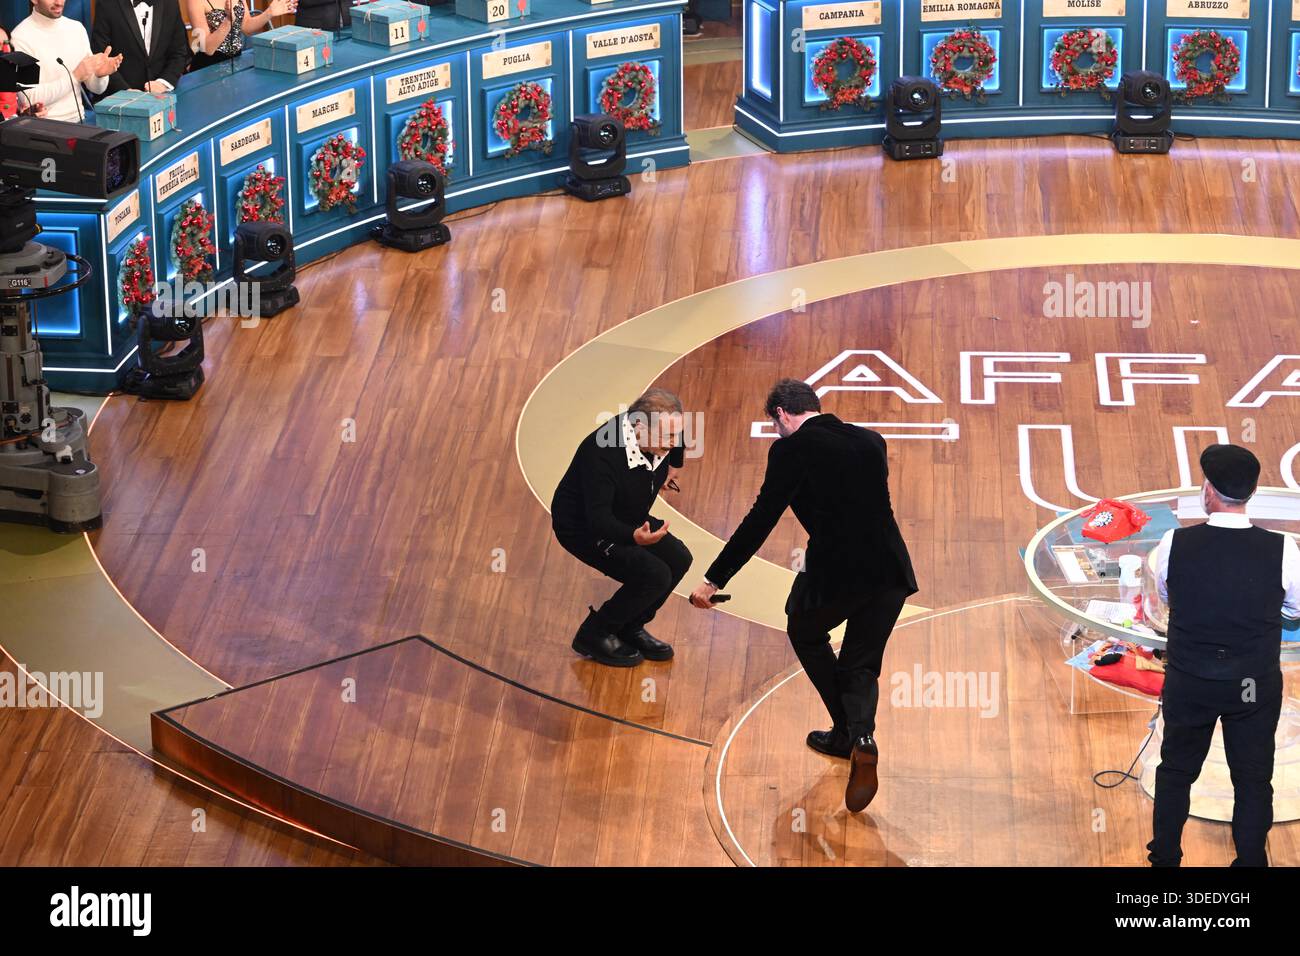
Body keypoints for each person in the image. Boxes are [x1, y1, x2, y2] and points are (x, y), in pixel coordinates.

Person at [690, 379, 917, 813]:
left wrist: (713, 579)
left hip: (836, 573)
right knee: (860, 662)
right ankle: (859, 736)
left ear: (780, 413)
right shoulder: (872, 441)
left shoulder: (790, 451)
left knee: (803, 628)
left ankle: (849, 732)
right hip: (891, 570)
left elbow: (761, 520)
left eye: (774, 424)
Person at [1148, 444, 1300, 866]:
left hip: (1190, 681)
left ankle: (1165, 858)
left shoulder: (1174, 542)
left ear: (1209, 491)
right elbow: (1295, 609)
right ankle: (1251, 862)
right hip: (1251, 685)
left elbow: (1168, 598)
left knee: (1176, 771)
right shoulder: (1284, 549)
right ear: (1251, 493)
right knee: (1253, 779)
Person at [551, 388, 691, 667]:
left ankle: (630, 626)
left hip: (627, 513)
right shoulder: (601, 454)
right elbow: (599, 520)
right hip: (585, 528)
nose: (673, 442)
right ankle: (594, 633)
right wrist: (633, 537)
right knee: (654, 574)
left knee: (679, 559)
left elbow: (678, 432)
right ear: (639, 427)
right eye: (667, 437)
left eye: (676, 435)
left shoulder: (661, 430)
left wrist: (675, 463)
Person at [11, 0, 120, 123]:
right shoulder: (20, 37)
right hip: (42, 127)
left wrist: (100, 76)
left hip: (80, 121)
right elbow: (28, 98)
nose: (59, 2)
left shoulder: (76, 29)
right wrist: (75, 77)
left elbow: (96, 89)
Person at [91, 0, 190, 94]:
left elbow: (179, 52)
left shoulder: (170, 2)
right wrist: (125, 91)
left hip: (163, 95)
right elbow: (101, 56)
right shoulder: (106, 4)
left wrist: (163, 83)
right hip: (120, 99)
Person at [186, 0, 295, 72]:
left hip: (236, 62)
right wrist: (228, 21)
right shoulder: (195, 2)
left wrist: (269, 13)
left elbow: (247, 27)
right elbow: (207, 48)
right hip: (209, 67)